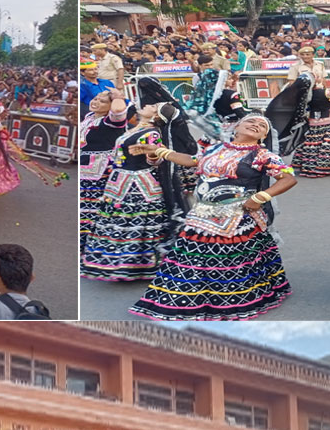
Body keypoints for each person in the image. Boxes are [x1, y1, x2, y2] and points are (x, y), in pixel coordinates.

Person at [130, 114, 297, 320]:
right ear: (236, 127)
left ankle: (227, 302)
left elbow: (288, 178)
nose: (255, 125)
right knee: (191, 258)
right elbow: (192, 161)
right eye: (250, 121)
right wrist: (160, 151)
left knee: (227, 261)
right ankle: (187, 299)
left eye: (262, 125)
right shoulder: (216, 147)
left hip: (236, 218)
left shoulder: (264, 155)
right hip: (201, 214)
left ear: (263, 136)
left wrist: (260, 196)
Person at [80, 102, 176, 281]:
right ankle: (117, 263)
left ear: (155, 116)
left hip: (138, 183)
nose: (146, 104)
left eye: (152, 106)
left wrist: (153, 153)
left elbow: (154, 161)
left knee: (133, 221)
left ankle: (133, 265)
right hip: (120, 180)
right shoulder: (135, 128)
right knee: (117, 220)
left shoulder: (152, 133)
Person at [80, 88, 129, 248]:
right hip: (84, 169)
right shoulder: (89, 117)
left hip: (101, 173)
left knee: (95, 208)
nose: (95, 102)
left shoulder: (112, 121)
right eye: (95, 99)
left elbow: (118, 110)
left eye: (102, 101)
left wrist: (117, 97)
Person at [285, 74, 330, 178]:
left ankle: (310, 166)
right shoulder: (327, 92)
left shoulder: (303, 95)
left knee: (313, 143)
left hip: (313, 122)